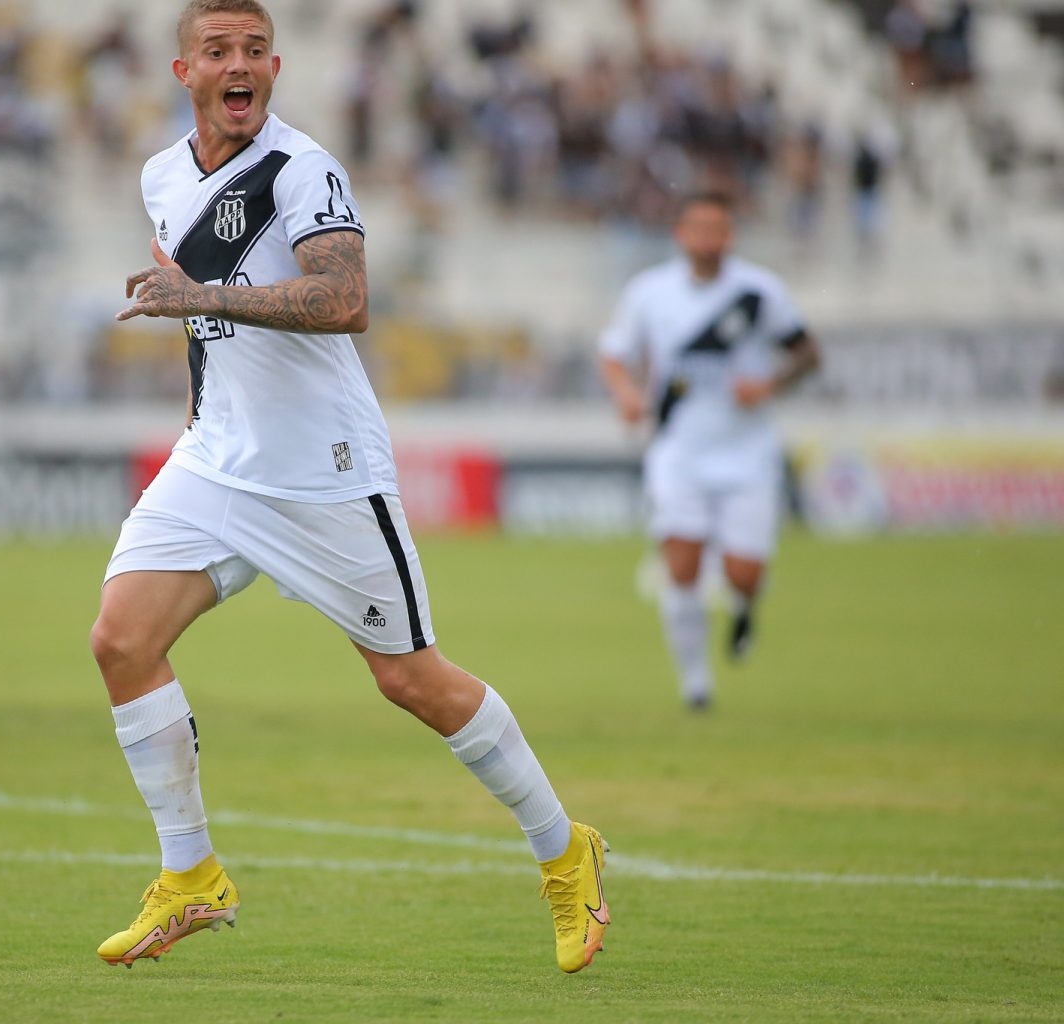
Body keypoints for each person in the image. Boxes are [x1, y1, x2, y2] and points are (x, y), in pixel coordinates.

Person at [91, 0, 609, 974]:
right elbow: (209, 334)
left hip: (323, 473)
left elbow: (347, 299)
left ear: (276, 66)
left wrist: (201, 295)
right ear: (182, 71)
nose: (238, 66)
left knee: (409, 677)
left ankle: (561, 849)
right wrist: (204, 378)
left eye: (253, 51)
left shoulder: (303, 168)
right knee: (120, 639)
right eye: (218, 52)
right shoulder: (160, 176)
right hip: (214, 463)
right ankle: (191, 874)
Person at [598, 192, 821, 710]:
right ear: (680, 234)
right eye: (696, 227)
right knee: (682, 568)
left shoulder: (759, 291)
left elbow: (808, 352)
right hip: (677, 450)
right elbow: (613, 354)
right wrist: (627, 394)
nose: (706, 238)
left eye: (716, 228)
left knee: (744, 574)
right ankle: (696, 684)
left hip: (748, 452)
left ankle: (745, 608)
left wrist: (770, 384)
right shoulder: (651, 292)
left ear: (730, 235)